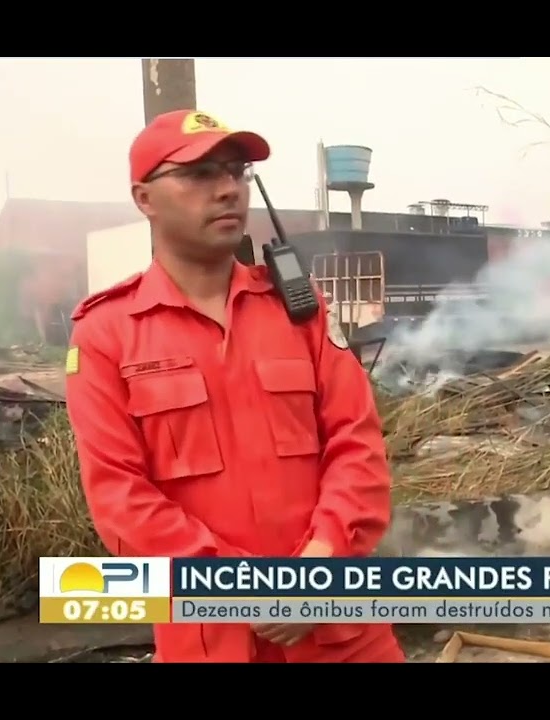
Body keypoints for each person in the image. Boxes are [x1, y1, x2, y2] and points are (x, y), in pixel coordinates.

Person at [64, 109, 405, 664]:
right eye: (199, 174)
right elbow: (119, 499)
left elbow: (358, 446)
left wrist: (318, 565)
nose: (226, 189)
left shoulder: (301, 310)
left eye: (236, 172)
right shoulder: (108, 332)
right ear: (144, 198)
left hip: (343, 632)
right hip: (211, 640)